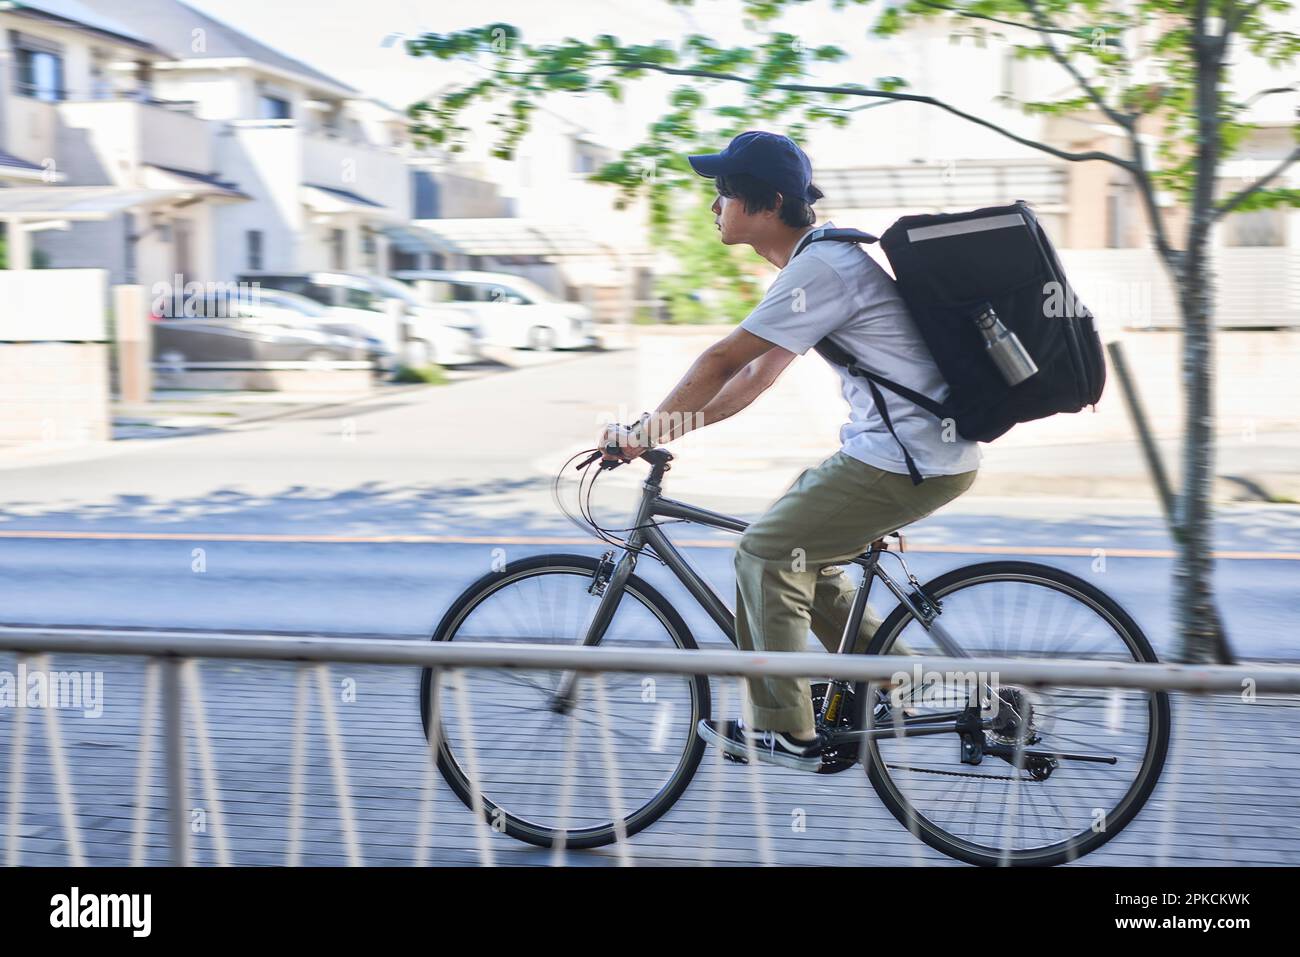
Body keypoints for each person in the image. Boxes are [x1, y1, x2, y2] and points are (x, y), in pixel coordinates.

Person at [599, 130, 981, 771]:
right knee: (806, 562)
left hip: (907, 457)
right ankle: (905, 683)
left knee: (766, 551)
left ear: (768, 203)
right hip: (909, 454)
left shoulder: (821, 268)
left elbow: (720, 359)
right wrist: (659, 432)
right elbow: (751, 378)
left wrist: (641, 436)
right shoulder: (817, 264)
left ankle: (785, 730)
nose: (713, 207)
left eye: (723, 193)